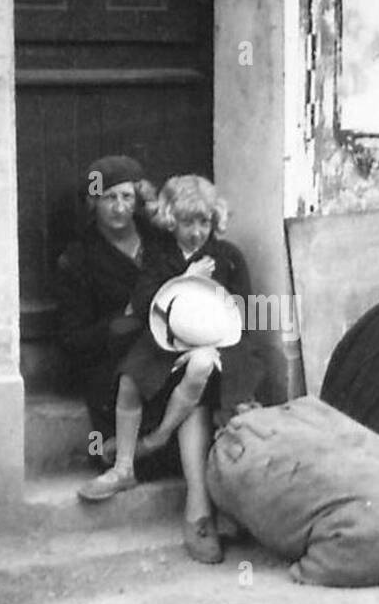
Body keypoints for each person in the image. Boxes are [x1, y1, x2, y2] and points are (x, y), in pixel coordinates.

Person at [77, 175, 264, 564]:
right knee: (131, 378)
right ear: (170, 222)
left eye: (204, 223)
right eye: (186, 223)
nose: (196, 233)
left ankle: (159, 445)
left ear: (214, 222)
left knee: (201, 375)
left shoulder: (228, 257)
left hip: (217, 346)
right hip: (165, 341)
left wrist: (217, 346)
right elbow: (146, 304)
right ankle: (125, 464)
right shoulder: (160, 255)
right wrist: (183, 279)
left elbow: (244, 314)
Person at [52, 155, 175, 475]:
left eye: (126, 197)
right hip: (109, 361)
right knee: (106, 441)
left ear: (138, 200)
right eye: (108, 198)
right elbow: (72, 339)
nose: (119, 208)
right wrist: (124, 320)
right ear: (94, 203)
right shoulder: (77, 259)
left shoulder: (160, 243)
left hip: (167, 347)